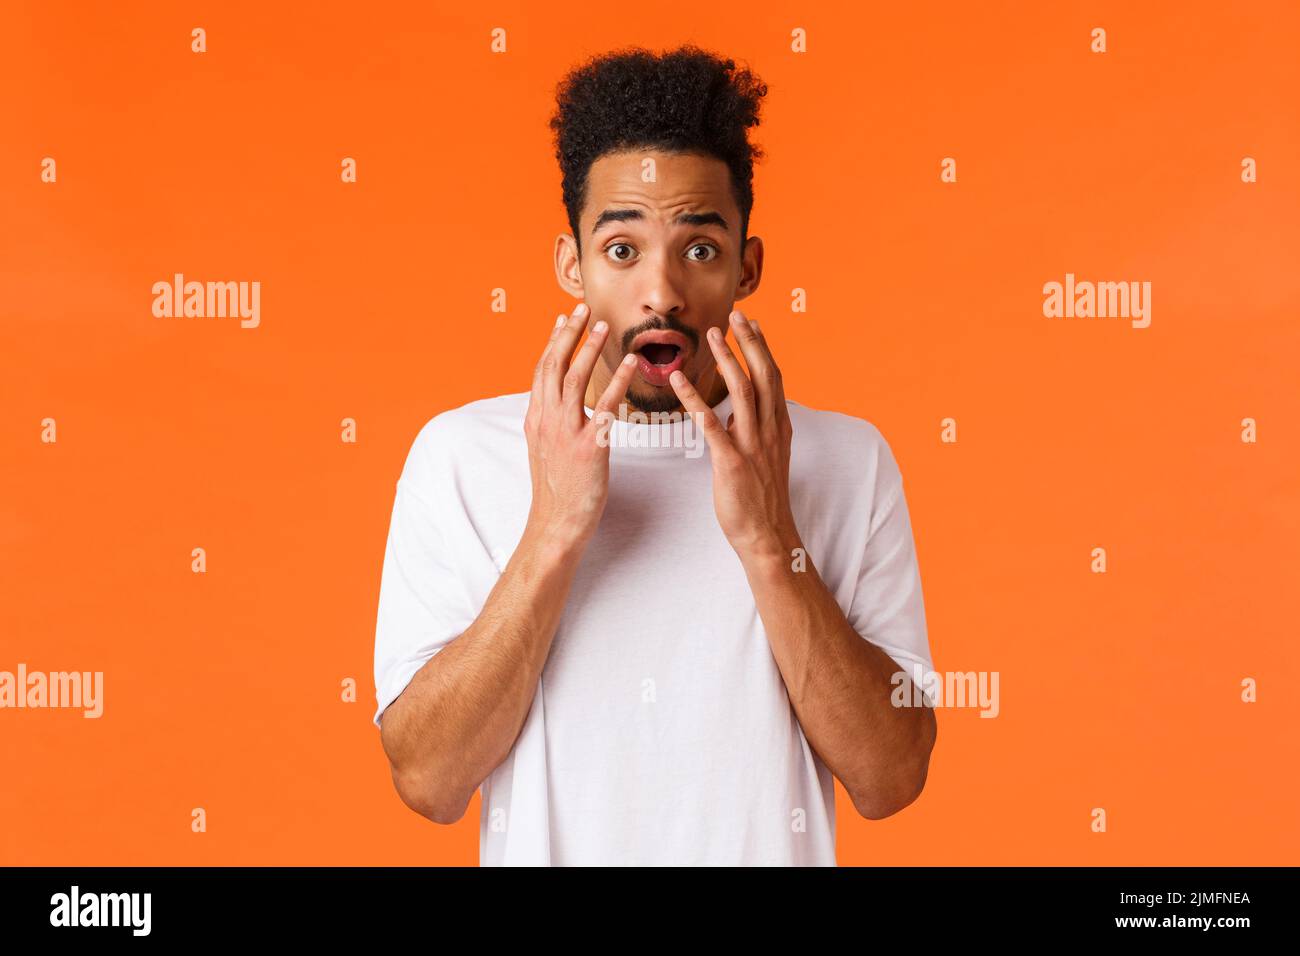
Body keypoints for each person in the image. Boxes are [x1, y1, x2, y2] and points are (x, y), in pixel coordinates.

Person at [372, 44, 937, 866]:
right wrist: (554, 530)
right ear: (573, 266)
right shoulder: (460, 457)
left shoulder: (847, 461)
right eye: (623, 249)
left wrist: (768, 538)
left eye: (700, 249)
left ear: (748, 267)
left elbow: (892, 777)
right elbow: (427, 779)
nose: (662, 291)